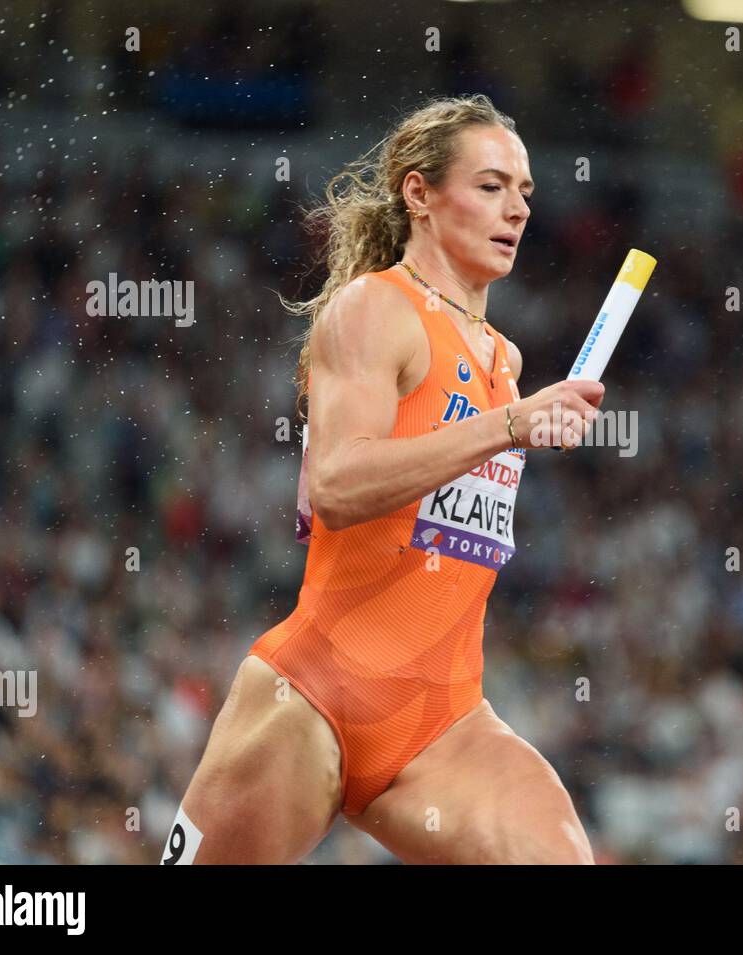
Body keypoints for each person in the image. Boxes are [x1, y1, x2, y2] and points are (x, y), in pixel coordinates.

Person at [162, 94, 604, 864]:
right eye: (492, 186)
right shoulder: (375, 309)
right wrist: (509, 426)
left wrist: (519, 416)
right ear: (419, 193)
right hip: (312, 698)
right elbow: (337, 483)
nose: (518, 209)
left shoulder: (507, 361)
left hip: (443, 719)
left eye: (525, 192)